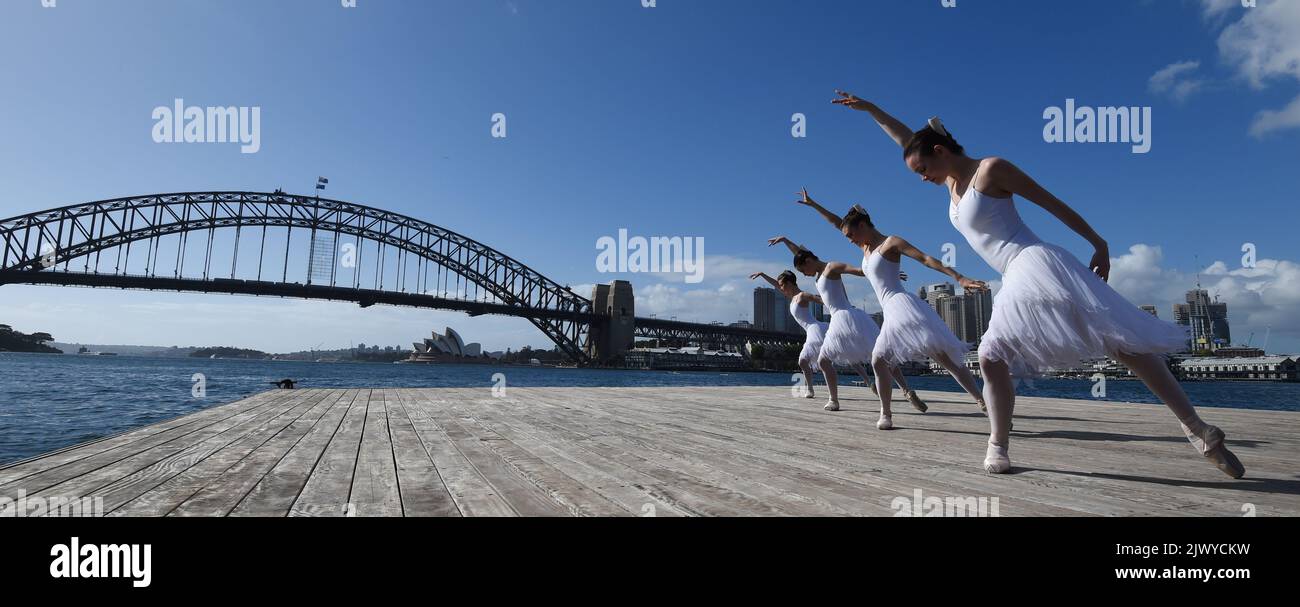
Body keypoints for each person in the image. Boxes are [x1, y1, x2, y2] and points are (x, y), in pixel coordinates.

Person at [831, 90, 1243, 477]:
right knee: (995, 357)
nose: (922, 178)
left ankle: (1196, 429)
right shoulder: (951, 185)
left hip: (1034, 261)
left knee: (1121, 344)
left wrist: (1098, 243)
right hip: (1013, 276)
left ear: (940, 151)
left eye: (922, 170)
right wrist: (871, 110)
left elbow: (1052, 203)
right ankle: (1000, 444)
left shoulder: (991, 170)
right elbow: (907, 138)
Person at [795, 190, 988, 419]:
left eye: (851, 235)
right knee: (881, 360)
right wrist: (814, 205)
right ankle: (886, 414)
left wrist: (959, 278)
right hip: (890, 311)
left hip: (902, 305)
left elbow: (925, 259)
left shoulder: (891, 243)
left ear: (863, 226)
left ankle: (982, 402)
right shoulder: (865, 248)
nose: (849, 240)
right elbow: (837, 223)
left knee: (942, 358)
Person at [773, 238, 928, 427]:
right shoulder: (817, 274)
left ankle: (906, 391)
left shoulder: (831, 267)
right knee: (824, 361)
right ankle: (834, 399)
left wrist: (890, 275)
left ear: (808, 262)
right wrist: (785, 241)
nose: (804, 275)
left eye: (803, 270)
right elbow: (800, 253)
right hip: (838, 320)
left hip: (848, 317)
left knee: (881, 357)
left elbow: (860, 271)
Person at [751, 270, 829, 399]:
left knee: (819, 360)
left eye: (782, 285)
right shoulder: (792, 297)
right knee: (805, 361)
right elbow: (777, 284)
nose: (780, 287)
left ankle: (814, 389)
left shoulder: (802, 295)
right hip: (811, 330)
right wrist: (762, 274)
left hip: (815, 329)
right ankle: (810, 389)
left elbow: (819, 299)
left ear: (789, 283)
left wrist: (837, 306)